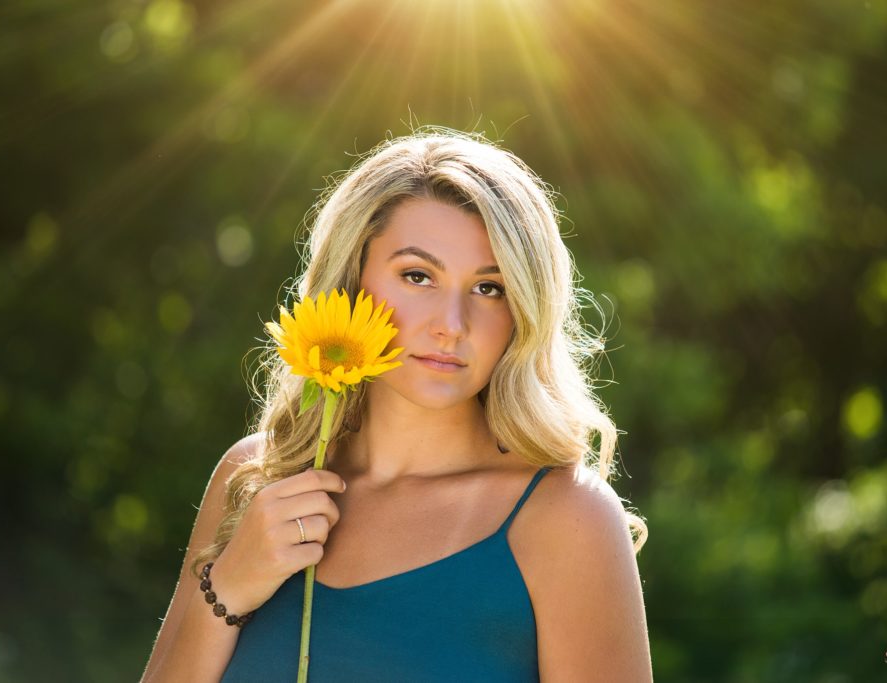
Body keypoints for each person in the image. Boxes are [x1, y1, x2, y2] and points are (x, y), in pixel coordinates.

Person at [141, 128, 652, 682]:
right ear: (353, 280)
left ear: (523, 309)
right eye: (417, 276)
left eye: (490, 288)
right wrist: (229, 587)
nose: (451, 326)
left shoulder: (566, 517)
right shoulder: (256, 478)